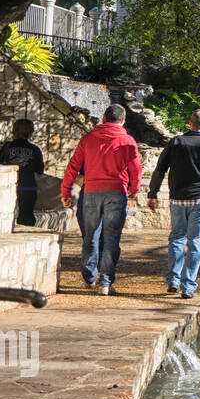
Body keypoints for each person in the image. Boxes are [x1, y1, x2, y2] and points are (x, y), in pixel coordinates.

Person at [60, 105, 142, 296]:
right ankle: (105, 282)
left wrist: (66, 191)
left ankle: (89, 276)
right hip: (116, 192)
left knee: (91, 235)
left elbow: (73, 166)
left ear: (104, 118)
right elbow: (136, 168)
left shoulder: (87, 139)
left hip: (91, 191)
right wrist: (134, 188)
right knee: (111, 238)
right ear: (123, 120)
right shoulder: (127, 141)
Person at [147, 109, 200, 298]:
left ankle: (174, 280)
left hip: (178, 199)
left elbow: (160, 169)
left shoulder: (176, 142)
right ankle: (188, 285)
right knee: (196, 243)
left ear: (190, 123)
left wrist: (153, 193)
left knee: (177, 239)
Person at [0, 118, 45, 226]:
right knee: (27, 218)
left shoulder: (7, 147)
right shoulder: (35, 149)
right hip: (28, 186)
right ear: (30, 133)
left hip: (8, 186)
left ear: (14, 131)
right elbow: (40, 170)